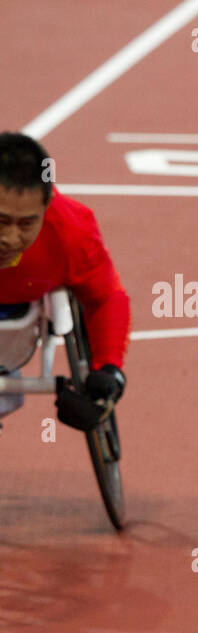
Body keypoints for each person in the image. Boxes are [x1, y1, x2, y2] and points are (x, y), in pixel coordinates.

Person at [0, 132, 129, 431]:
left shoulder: (72, 232)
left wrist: (109, 373)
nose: (10, 238)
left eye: (27, 223)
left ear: (47, 207)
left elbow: (106, 297)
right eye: (1, 221)